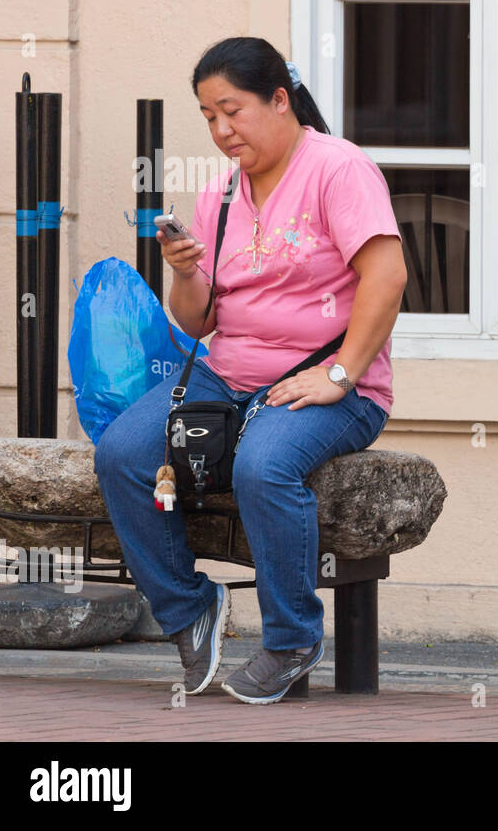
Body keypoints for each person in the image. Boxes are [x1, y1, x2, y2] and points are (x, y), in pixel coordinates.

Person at [94, 37, 406, 704]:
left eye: (231, 111)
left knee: (263, 466)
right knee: (121, 452)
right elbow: (199, 321)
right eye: (208, 117)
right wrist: (184, 273)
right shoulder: (223, 193)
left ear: (280, 100)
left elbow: (388, 276)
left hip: (332, 382)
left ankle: (291, 638)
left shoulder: (338, 169)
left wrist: (343, 375)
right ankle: (189, 610)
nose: (221, 130)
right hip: (227, 376)